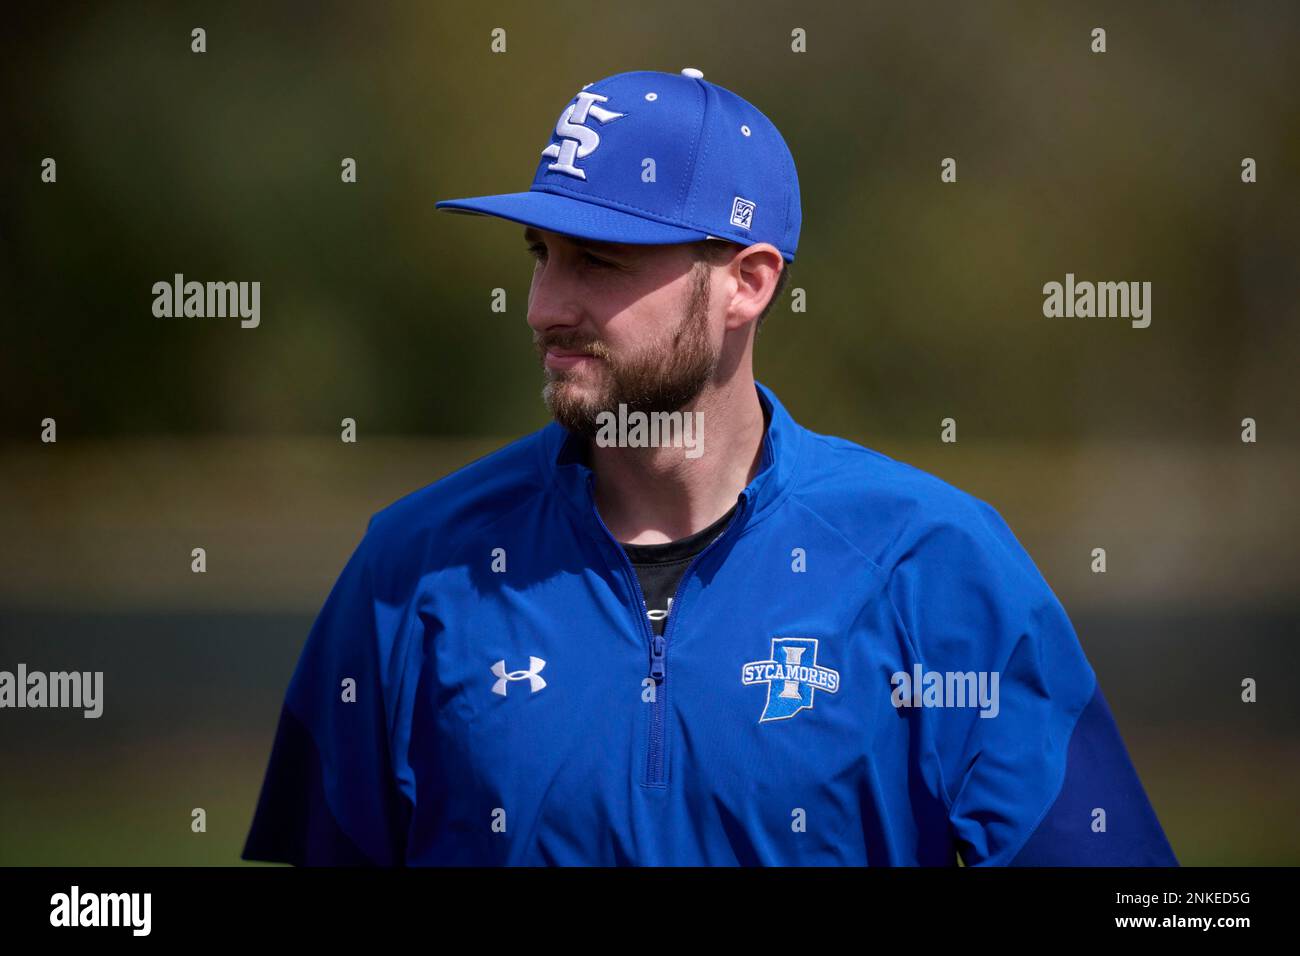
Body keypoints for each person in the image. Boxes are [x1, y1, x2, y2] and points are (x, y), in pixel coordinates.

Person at [243, 68, 1177, 866]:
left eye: (598, 262)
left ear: (748, 282)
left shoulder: (934, 564)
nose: (542, 306)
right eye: (539, 255)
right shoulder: (411, 570)